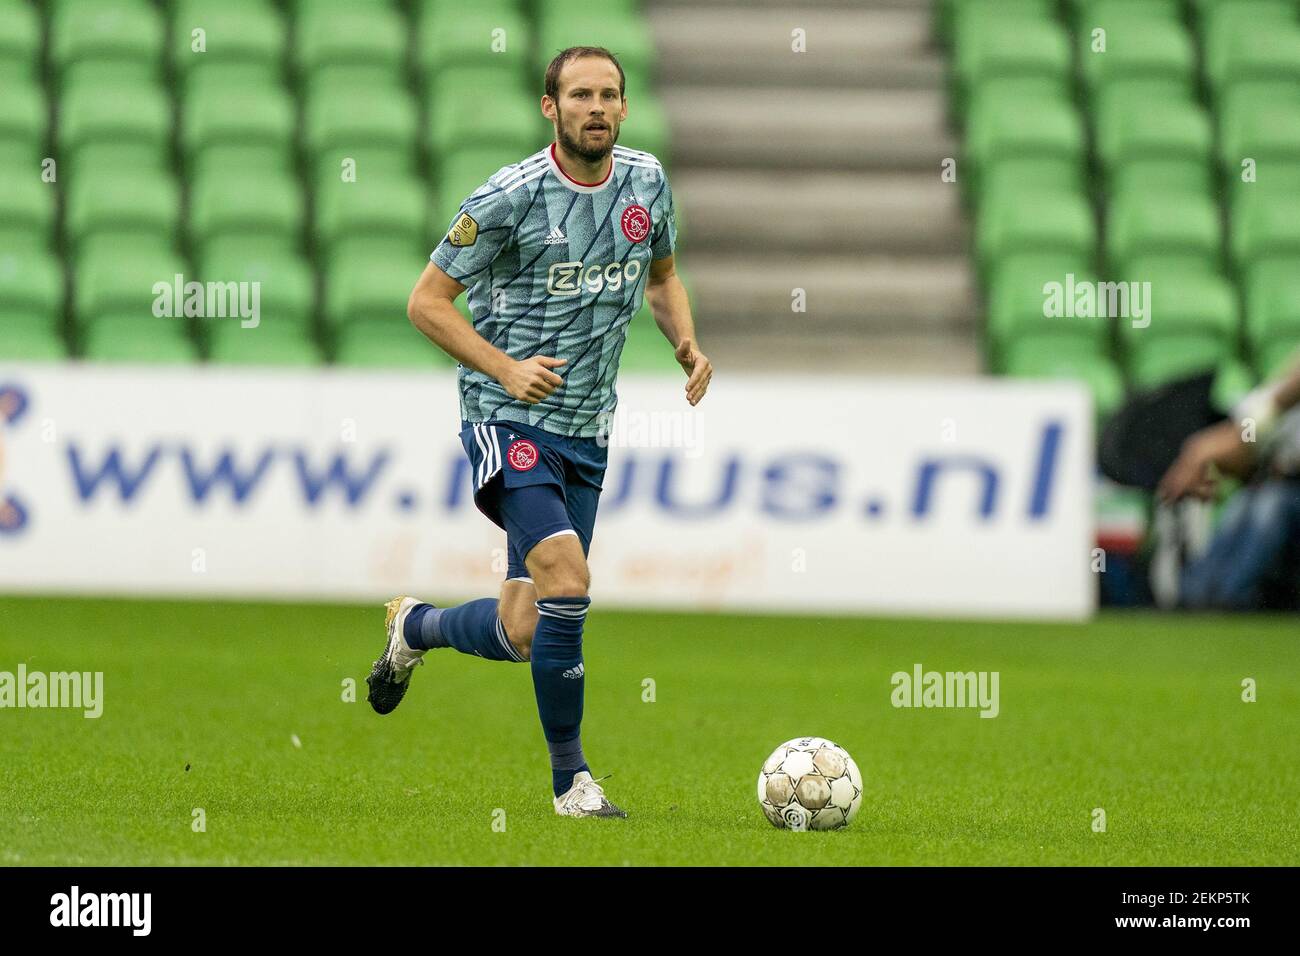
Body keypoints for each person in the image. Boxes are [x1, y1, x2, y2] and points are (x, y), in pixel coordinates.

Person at [364, 47, 712, 817]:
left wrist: (684, 341)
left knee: (526, 627)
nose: (597, 106)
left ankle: (415, 626)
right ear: (549, 107)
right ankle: (572, 783)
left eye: (610, 95)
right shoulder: (509, 198)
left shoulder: (646, 183)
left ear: (624, 108)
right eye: (580, 93)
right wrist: (505, 369)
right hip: (508, 418)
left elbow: (662, 279)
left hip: (588, 430)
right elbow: (426, 303)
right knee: (568, 578)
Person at [1158, 355, 1300, 609]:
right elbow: (1253, 427)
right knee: (1243, 504)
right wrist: (1205, 450)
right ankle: (1195, 596)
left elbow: (1278, 400)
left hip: (1287, 492)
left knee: (1269, 507)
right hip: (1280, 482)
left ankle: (1231, 600)